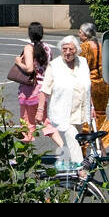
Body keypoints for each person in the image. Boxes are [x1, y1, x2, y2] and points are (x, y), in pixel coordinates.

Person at [36, 35, 93, 171]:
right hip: (62, 113)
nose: (67, 52)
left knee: (74, 144)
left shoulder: (83, 63)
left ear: (76, 50)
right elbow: (45, 90)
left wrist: (92, 107)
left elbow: (87, 87)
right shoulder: (54, 65)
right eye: (64, 49)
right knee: (73, 141)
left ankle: (68, 175)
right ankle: (82, 173)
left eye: (70, 49)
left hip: (79, 112)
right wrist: (40, 111)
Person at [78, 22, 109, 151]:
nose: (78, 35)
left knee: (87, 116)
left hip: (91, 85)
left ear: (86, 34)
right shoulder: (100, 45)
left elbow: (81, 67)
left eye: (80, 32)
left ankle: (84, 148)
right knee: (100, 114)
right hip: (104, 84)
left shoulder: (85, 47)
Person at [14, 22, 51, 142]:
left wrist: (19, 62)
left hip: (30, 89)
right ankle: (62, 146)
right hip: (43, 88)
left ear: (29, 34)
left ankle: (24, 156)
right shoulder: (47, 48)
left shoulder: (29, 48)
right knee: (45, 121)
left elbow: (29, 69)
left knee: (26, 123)